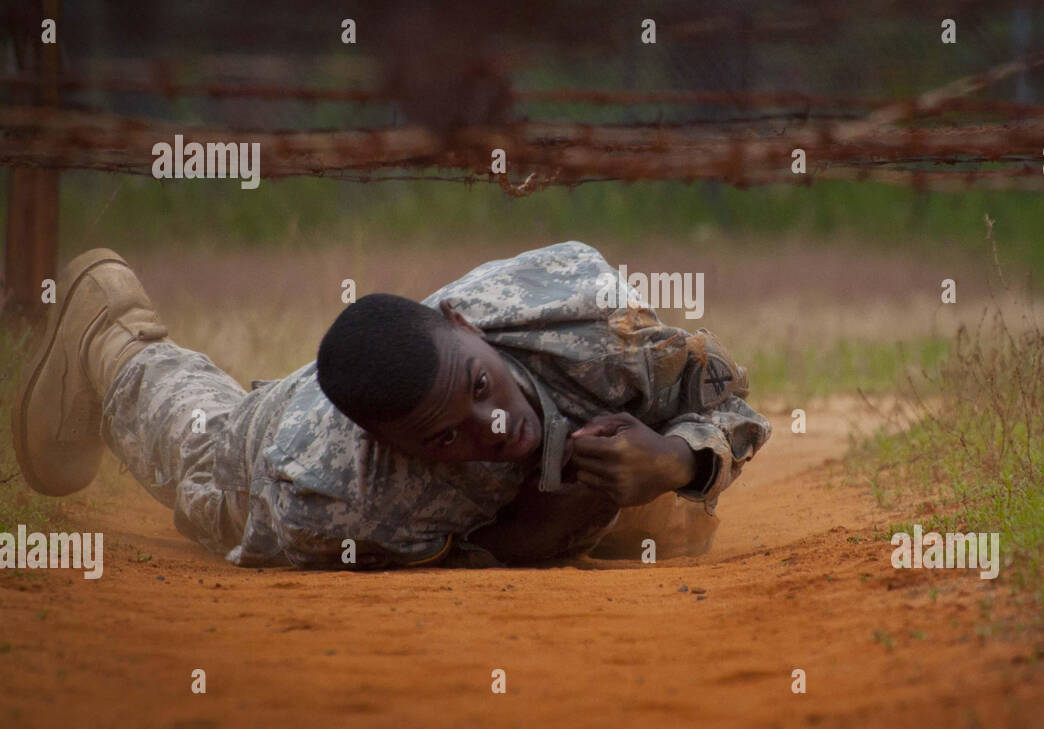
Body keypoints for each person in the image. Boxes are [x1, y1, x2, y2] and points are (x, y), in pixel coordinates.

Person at [13, 242, 770, 569]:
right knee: (207, 451)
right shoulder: (329, 497)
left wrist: (676, 459)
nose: (494, 427)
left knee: (670, 528)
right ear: (397, 448)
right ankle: (112, 339)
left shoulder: (585, 319)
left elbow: (728, 396)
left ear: (468, 327)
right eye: (447, 438)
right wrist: (518, 540)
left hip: (408, 357)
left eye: (482, 388)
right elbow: (471, 550)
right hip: (264, 449)